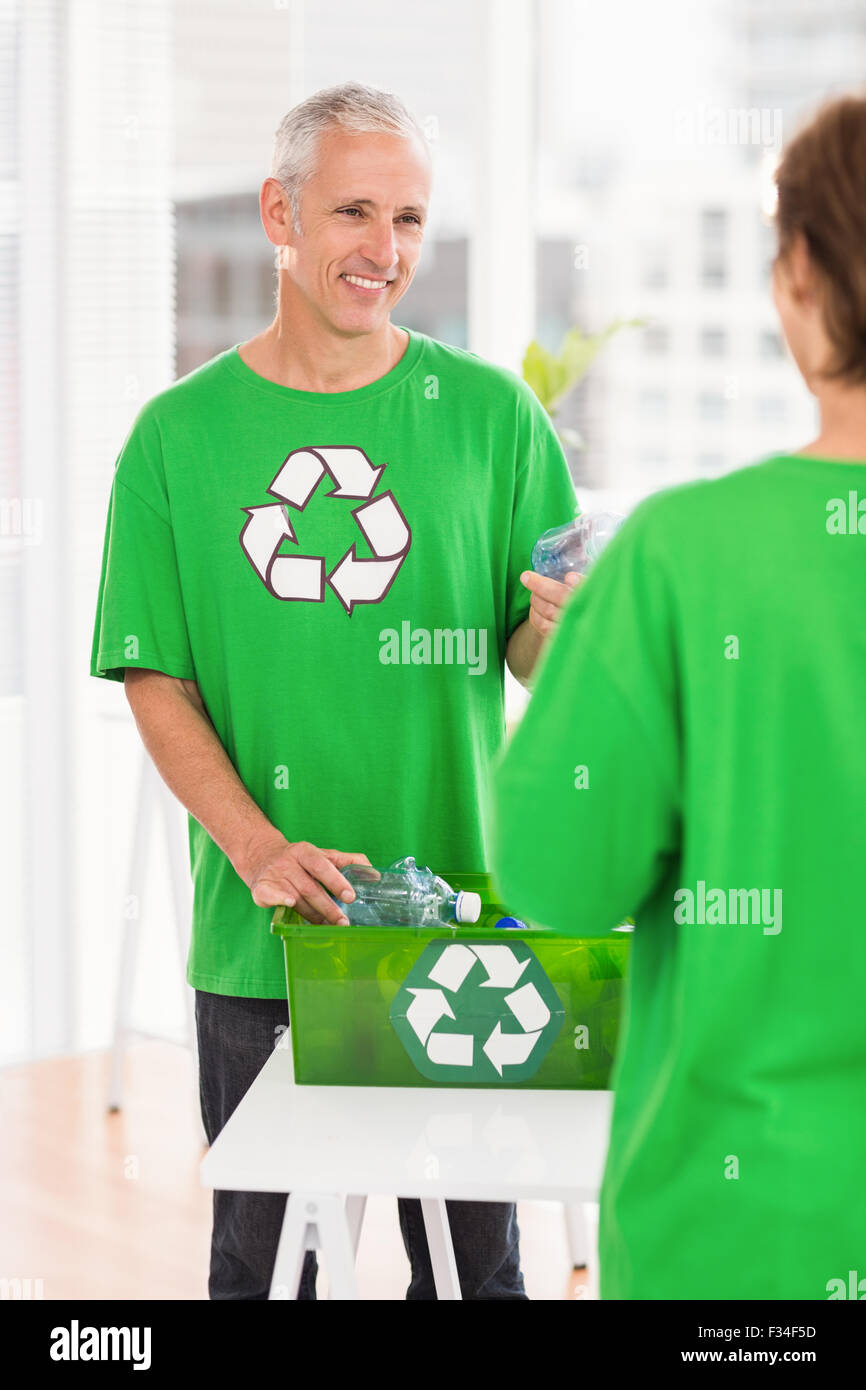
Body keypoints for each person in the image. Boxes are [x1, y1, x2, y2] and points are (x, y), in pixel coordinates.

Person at [89, 80, 580, 1300]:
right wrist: (255, 847)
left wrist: (555, 633)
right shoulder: (173, 439)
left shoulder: (493, 420)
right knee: (262, 1277)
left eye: (409, 219)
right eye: (354, 211)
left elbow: (526, 659)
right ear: (278, 212)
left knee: (477, 1276)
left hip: (462, 935)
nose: (385, 250)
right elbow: (155, 677)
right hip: (269, 945)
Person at [489, 92, 866, 1301]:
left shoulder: (682, 556)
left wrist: (593, 658)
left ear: (796, 275)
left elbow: (555, 875)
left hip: (740, 1236)